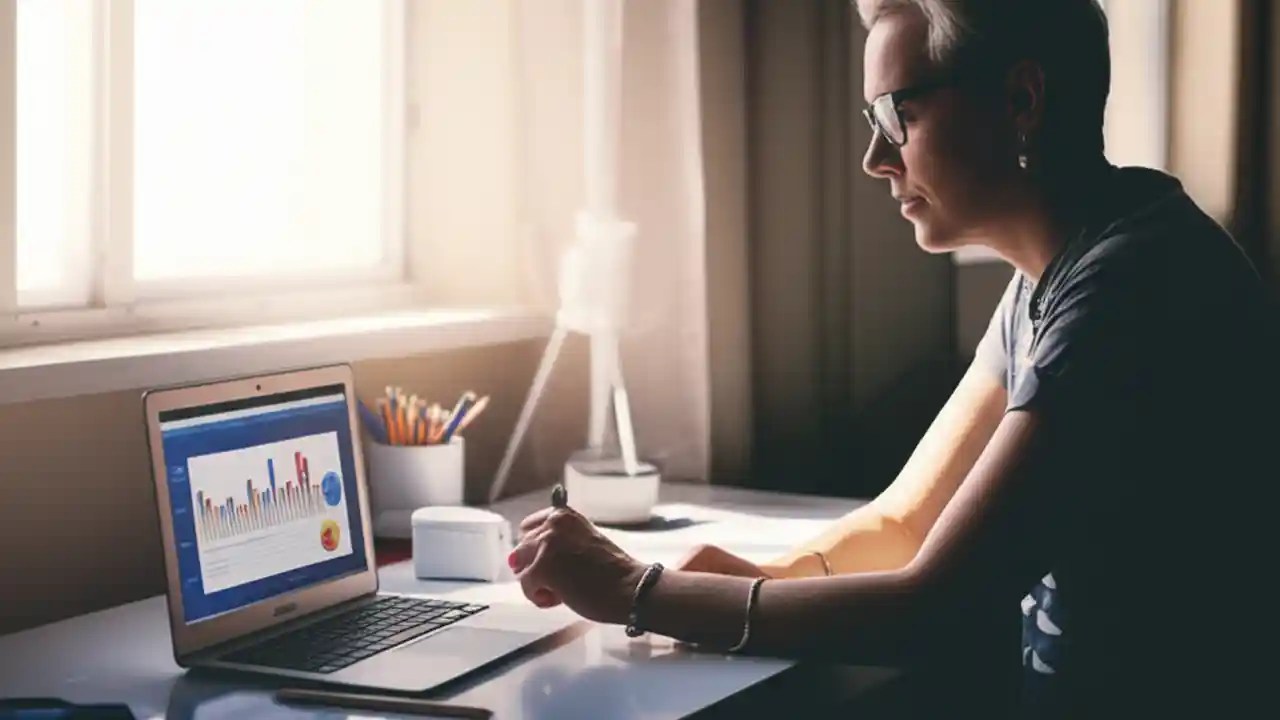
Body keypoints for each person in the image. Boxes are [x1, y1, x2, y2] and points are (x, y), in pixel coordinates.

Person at [509, 0, 1278, 716]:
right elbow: (905, 521)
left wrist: (633, 589)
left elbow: (933, 607)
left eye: (897, 114)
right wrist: (755, 581)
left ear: (1022, 100)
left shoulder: (1130, 289)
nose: (876, 157)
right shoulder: (1060, 272)